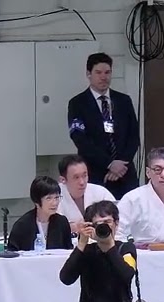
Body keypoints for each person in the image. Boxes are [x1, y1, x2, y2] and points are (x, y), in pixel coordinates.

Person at [67, 52, 141, 199]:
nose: (103, 77)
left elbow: (134, 136)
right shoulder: (77, 103)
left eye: (107, 72)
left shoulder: (123, 101)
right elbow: (80, 139)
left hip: (125, 172)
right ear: (89, 74)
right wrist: (109, 164)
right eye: (98, 72)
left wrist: (120, 166)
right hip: (96, 172)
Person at [55, 154, 117, 236]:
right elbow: (51, 227)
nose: (82, 182)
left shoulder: (100, 192)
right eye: (76, 177)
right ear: (63, 180)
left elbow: (116, 219)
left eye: (84, 176)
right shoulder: (54, 197)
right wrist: (72, 227)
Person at [7, 176, 72, 252]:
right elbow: (12, 253)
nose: (55, 203)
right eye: (49, 198)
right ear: (37, 201)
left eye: (57, 197)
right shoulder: (22, 225)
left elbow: (68, 251)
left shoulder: (62, 222)